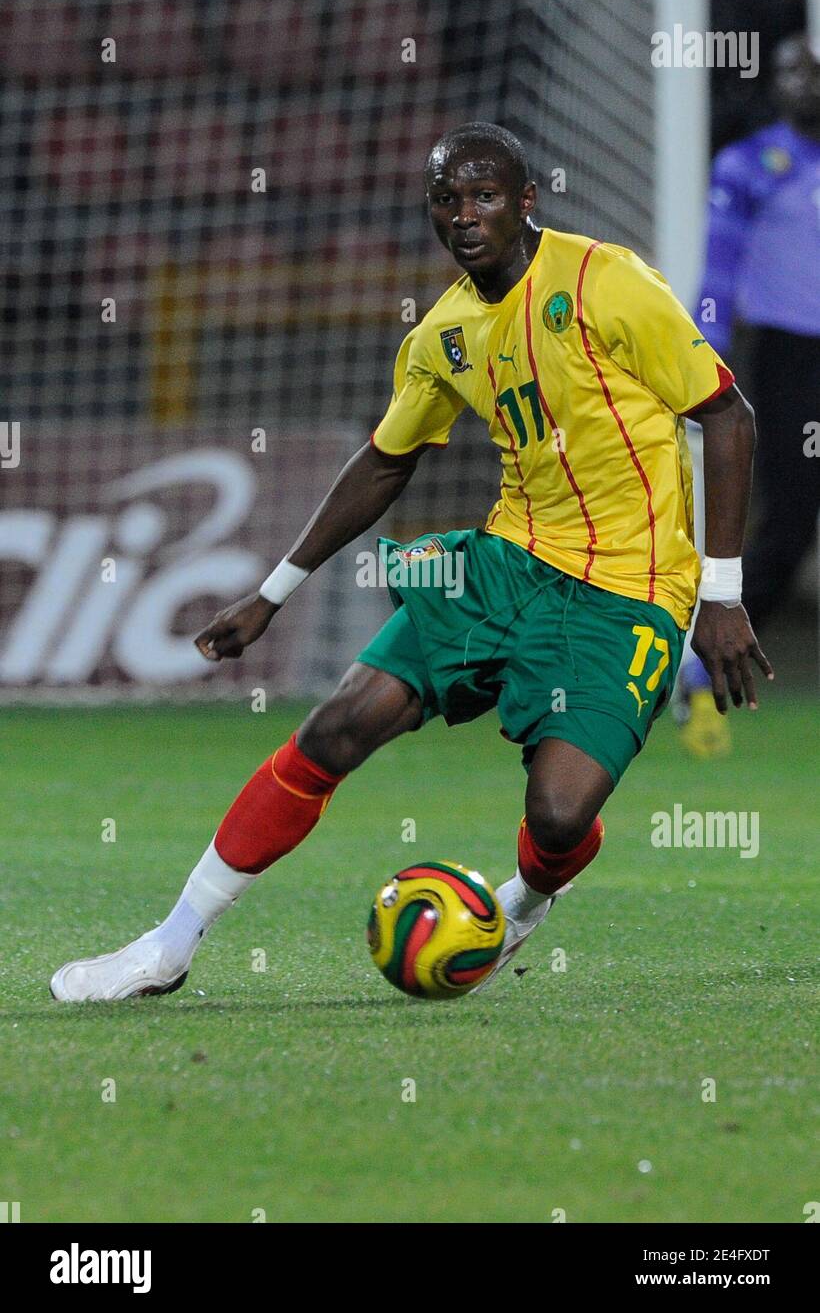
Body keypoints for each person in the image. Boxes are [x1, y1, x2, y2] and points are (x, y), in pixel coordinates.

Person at [50, 122, 772, 1003]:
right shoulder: (444, 335)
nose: (464, 216)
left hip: (630, 590)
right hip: (504, 563)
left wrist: (722, 596)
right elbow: (390, 459)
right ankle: (167, 945)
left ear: (526, 202)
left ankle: (525, 904)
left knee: (556, 818)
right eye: (446, 199)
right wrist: (273, 593)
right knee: (337, 726)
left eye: (484, 196)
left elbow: (728, 417)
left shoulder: (605, 282)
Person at [677, 34, 819, 755]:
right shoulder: (748, 165)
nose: (805, 81)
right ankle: (702, 664)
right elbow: (718, 273)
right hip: (793, 355)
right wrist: (705, 358)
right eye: (794, 69)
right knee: (792, 522)